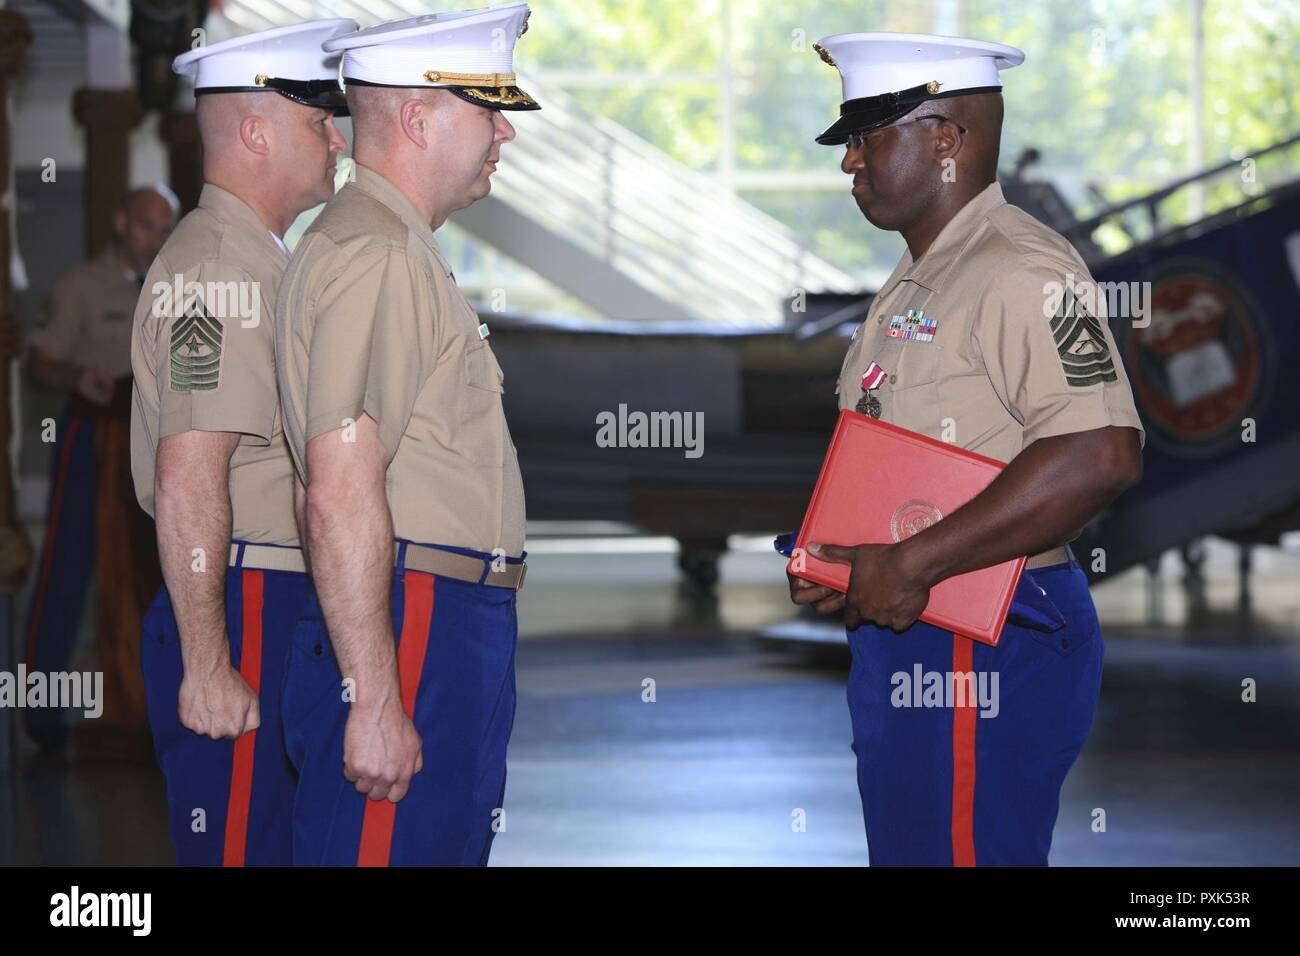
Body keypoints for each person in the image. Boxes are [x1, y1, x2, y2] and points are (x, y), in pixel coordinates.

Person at [790, 32, 1145, 866]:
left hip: (982, 635)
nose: (851, 164)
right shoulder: (923, 276)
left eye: (869, 136)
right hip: (923, 627)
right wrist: (850, 560)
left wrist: (909, 564)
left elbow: (1101, 451)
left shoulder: (1022, 268)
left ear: (947, 139)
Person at [275, 2, 537, 867]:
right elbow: (340, 488)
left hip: (434, 618)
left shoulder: (390, 244)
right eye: (487, 108)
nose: (503, 131)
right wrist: (376, 699)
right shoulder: (379, 253)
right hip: (413, 618)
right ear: (419, 118)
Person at [129, 18, 356, 865]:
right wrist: (208, 663)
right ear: (255, 131)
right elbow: (189, 472)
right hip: (241, 601)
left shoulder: (254, 261)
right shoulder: (217, 272)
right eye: (316, 122)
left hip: (267, 595)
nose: (337, 140)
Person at [24, 186, 176, 753]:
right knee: (69, 566)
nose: (154, 238)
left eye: (165, 227)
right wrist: (75, 377)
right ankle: (41, 712)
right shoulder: (79, 286)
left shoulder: (180, 286)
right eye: (144, 225)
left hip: (157, 441)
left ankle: (150, 706)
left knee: (158, 572)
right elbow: (41, 362)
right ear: (119, 222)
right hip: (94, 439)